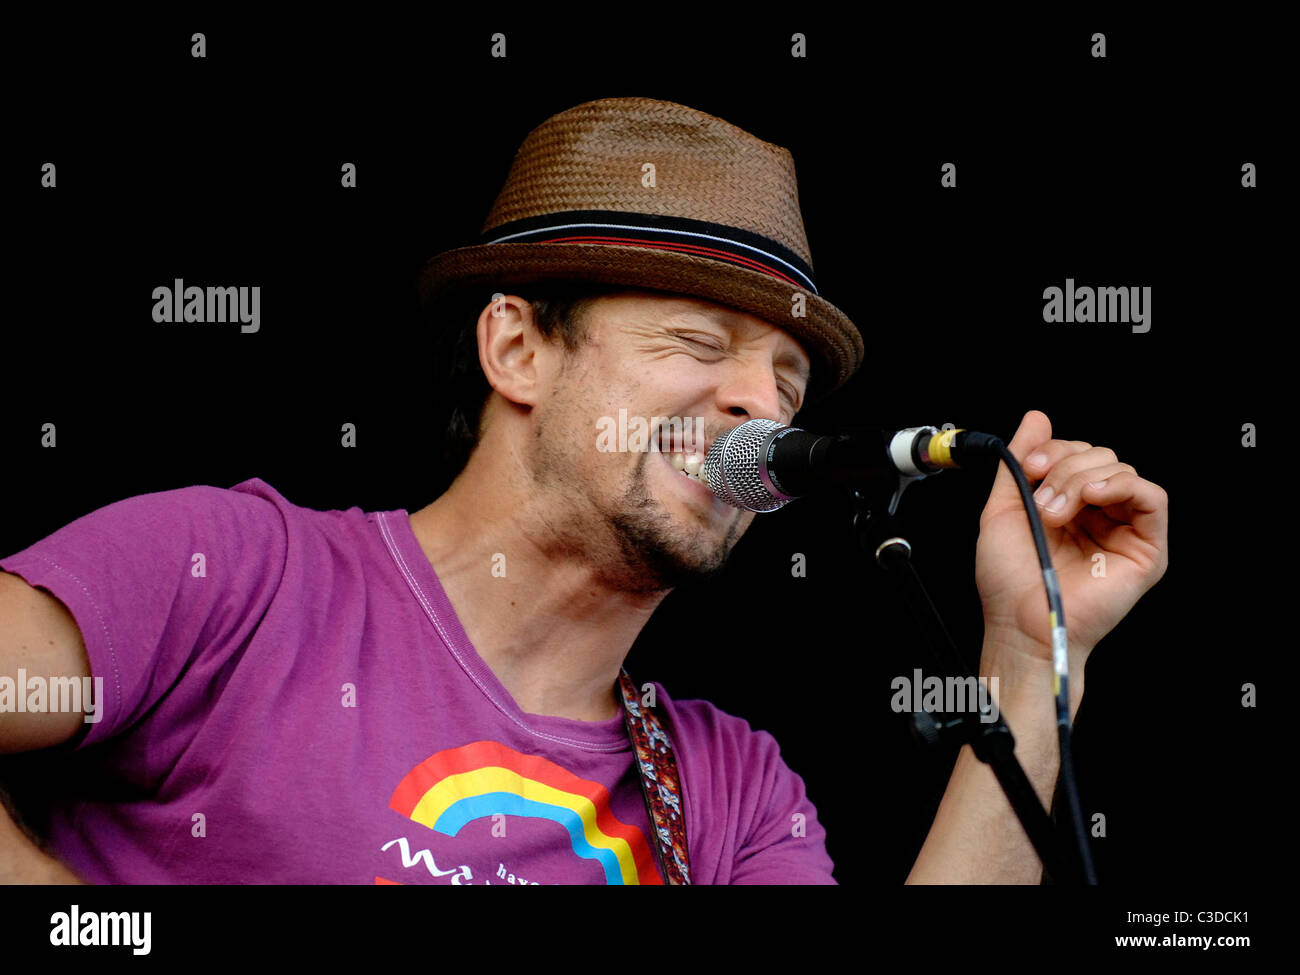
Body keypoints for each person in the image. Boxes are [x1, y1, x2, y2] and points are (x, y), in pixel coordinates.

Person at [0, 97, 1168, 885]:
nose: (759, 405)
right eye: (695, 338)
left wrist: (1025, 652)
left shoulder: (727, 792)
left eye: (787, 379)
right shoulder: (230, 571)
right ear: (516, 349)